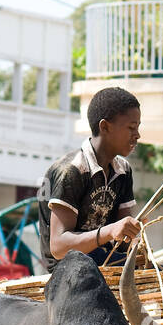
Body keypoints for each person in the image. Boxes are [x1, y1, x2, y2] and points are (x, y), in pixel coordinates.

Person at [39, 86, 143, 273]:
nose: (137, 135)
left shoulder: (123, 170)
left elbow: (124, 240)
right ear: (105, 127)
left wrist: (134, 234)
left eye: (138, 127)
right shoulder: (71, 170)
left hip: (107, 259)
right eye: (131, 127)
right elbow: (59, 247)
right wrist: (111, 231)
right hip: (69, 268)